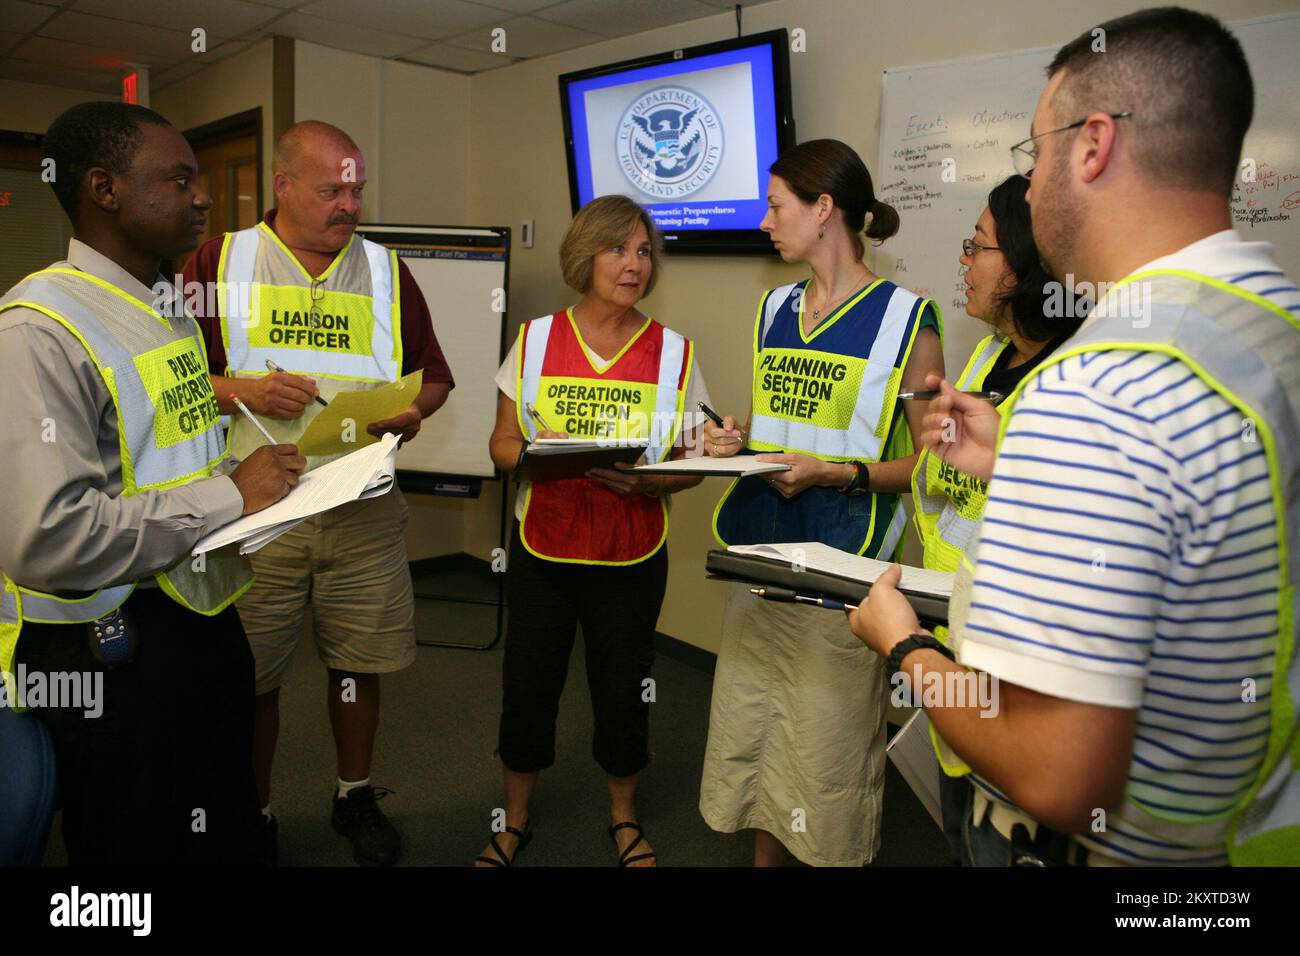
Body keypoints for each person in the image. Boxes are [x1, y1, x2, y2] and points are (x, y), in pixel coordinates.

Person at [849, 6, 1300, 866]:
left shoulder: (1094, 388)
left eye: (1036, 151)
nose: (1033, 181)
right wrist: (1018, 459)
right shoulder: (1271, 324)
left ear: (1093, 145)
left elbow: (1060, 776)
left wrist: (903, 640)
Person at [0, 101, 305, 865]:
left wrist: (248, 490)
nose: (201, 196)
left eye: (198, 178)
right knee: (129, 846)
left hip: (197, 613)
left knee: (222, 820)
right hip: (107, 650)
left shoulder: (163, 306)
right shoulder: (37, 330)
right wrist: (232, 495)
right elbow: (50, 535)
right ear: (104, 190)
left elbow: (164, 458)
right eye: (177, 179)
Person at [184, 120, 455, 866]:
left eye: (357, 189)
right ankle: (256, 813)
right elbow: (165, 376)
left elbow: (432, 377)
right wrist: (242, 388)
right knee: (253, 676)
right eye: (331, 189)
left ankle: (353, 794)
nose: (349, 204)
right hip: (256, 513)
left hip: (359, 506)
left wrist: (412, 413)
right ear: (282, 186)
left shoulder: (385, 270)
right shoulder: (219, 260)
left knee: (356, 662)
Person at [699, 139, 945, 866]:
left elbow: (932, 465)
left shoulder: (908, 320)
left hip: (845, 573)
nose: (766, 221)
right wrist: (731, 442)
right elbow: (767, 426)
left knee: (825, 753)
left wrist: (837, 474)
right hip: (765, 556)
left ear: (824, 209)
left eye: (777, 206)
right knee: (756, 734)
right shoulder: (775, 306)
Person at [477, 195, 711, 867]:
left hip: (630, 553)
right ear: (584, 255)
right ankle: (514, 817)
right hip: (542, 547)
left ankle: (623, 815)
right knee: (528, 684)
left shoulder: (674, 354)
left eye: (644, 252)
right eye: (617, 249)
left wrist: (650, 481)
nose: (634, 265)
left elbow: (693, 463)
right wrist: (537, 456)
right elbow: (499, 443)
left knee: (623, 686)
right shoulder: (535, 341)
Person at [913, 174, 1083, 863]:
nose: (964, 262)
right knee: (961, 831)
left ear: (1020, 262)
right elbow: (945, 495)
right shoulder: (987, 359)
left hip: (1020, 666)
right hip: (953, 635)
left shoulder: (1072, 378)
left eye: (976, 246)